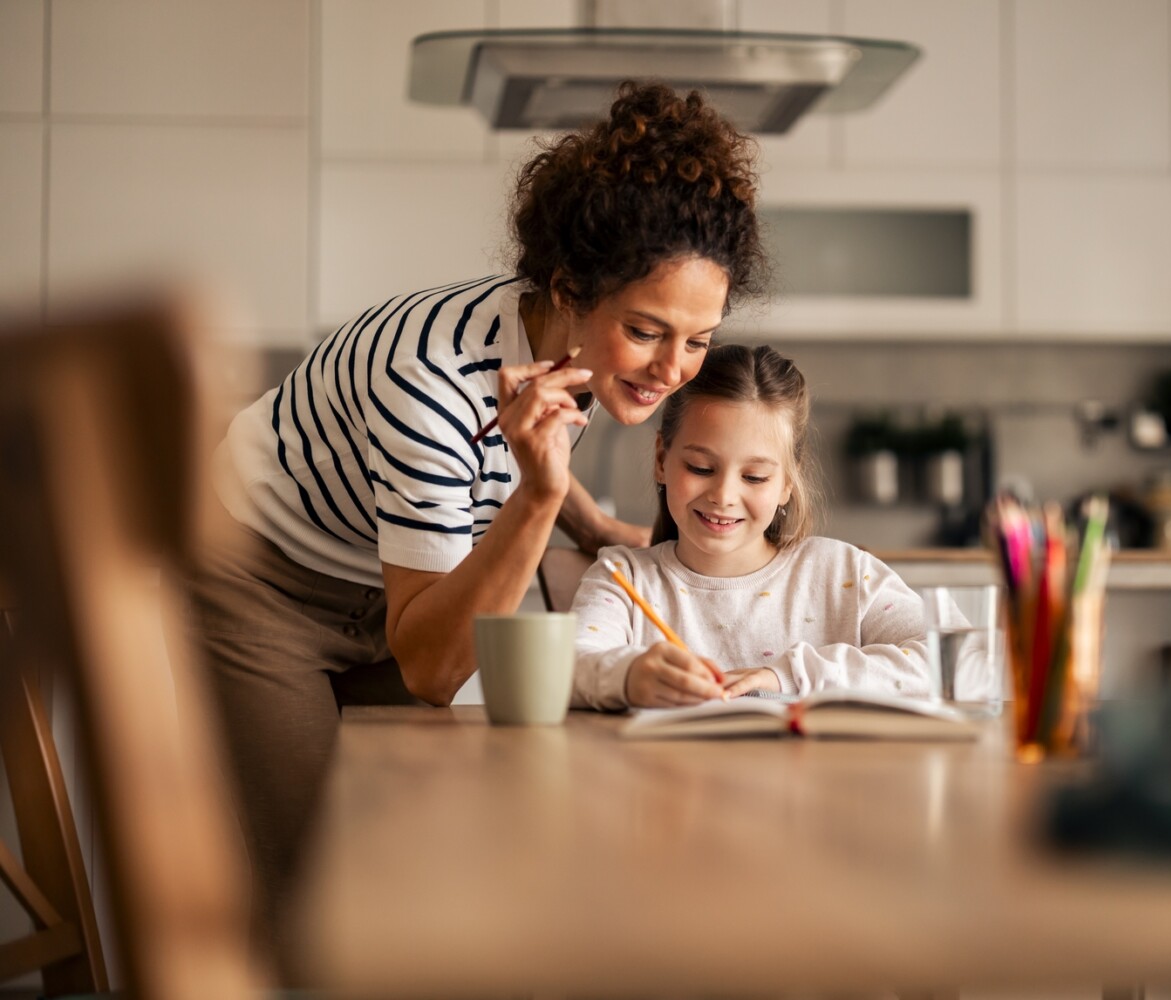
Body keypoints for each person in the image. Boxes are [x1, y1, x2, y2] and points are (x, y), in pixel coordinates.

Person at [186, 81, 767, 943]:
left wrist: (587, 524)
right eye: (648, 331)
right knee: (318, 893)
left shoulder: (575, 343)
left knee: (429, 847)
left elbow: (497, 453)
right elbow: (430, 667)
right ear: (571, 287)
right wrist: (537, 498)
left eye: (700, 339)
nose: (673, 368)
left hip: (388, 583)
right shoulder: (427, 382)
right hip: (256, 583)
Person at [570, 344, 931, 709]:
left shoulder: (844, 575)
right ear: (662, 459)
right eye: (700, 468)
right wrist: (630, 677)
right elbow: (570, 667)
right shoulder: (623, 580)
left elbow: (959, 661)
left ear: (787, 482)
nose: (724, 495)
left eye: (755, 477)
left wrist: (788, 676)